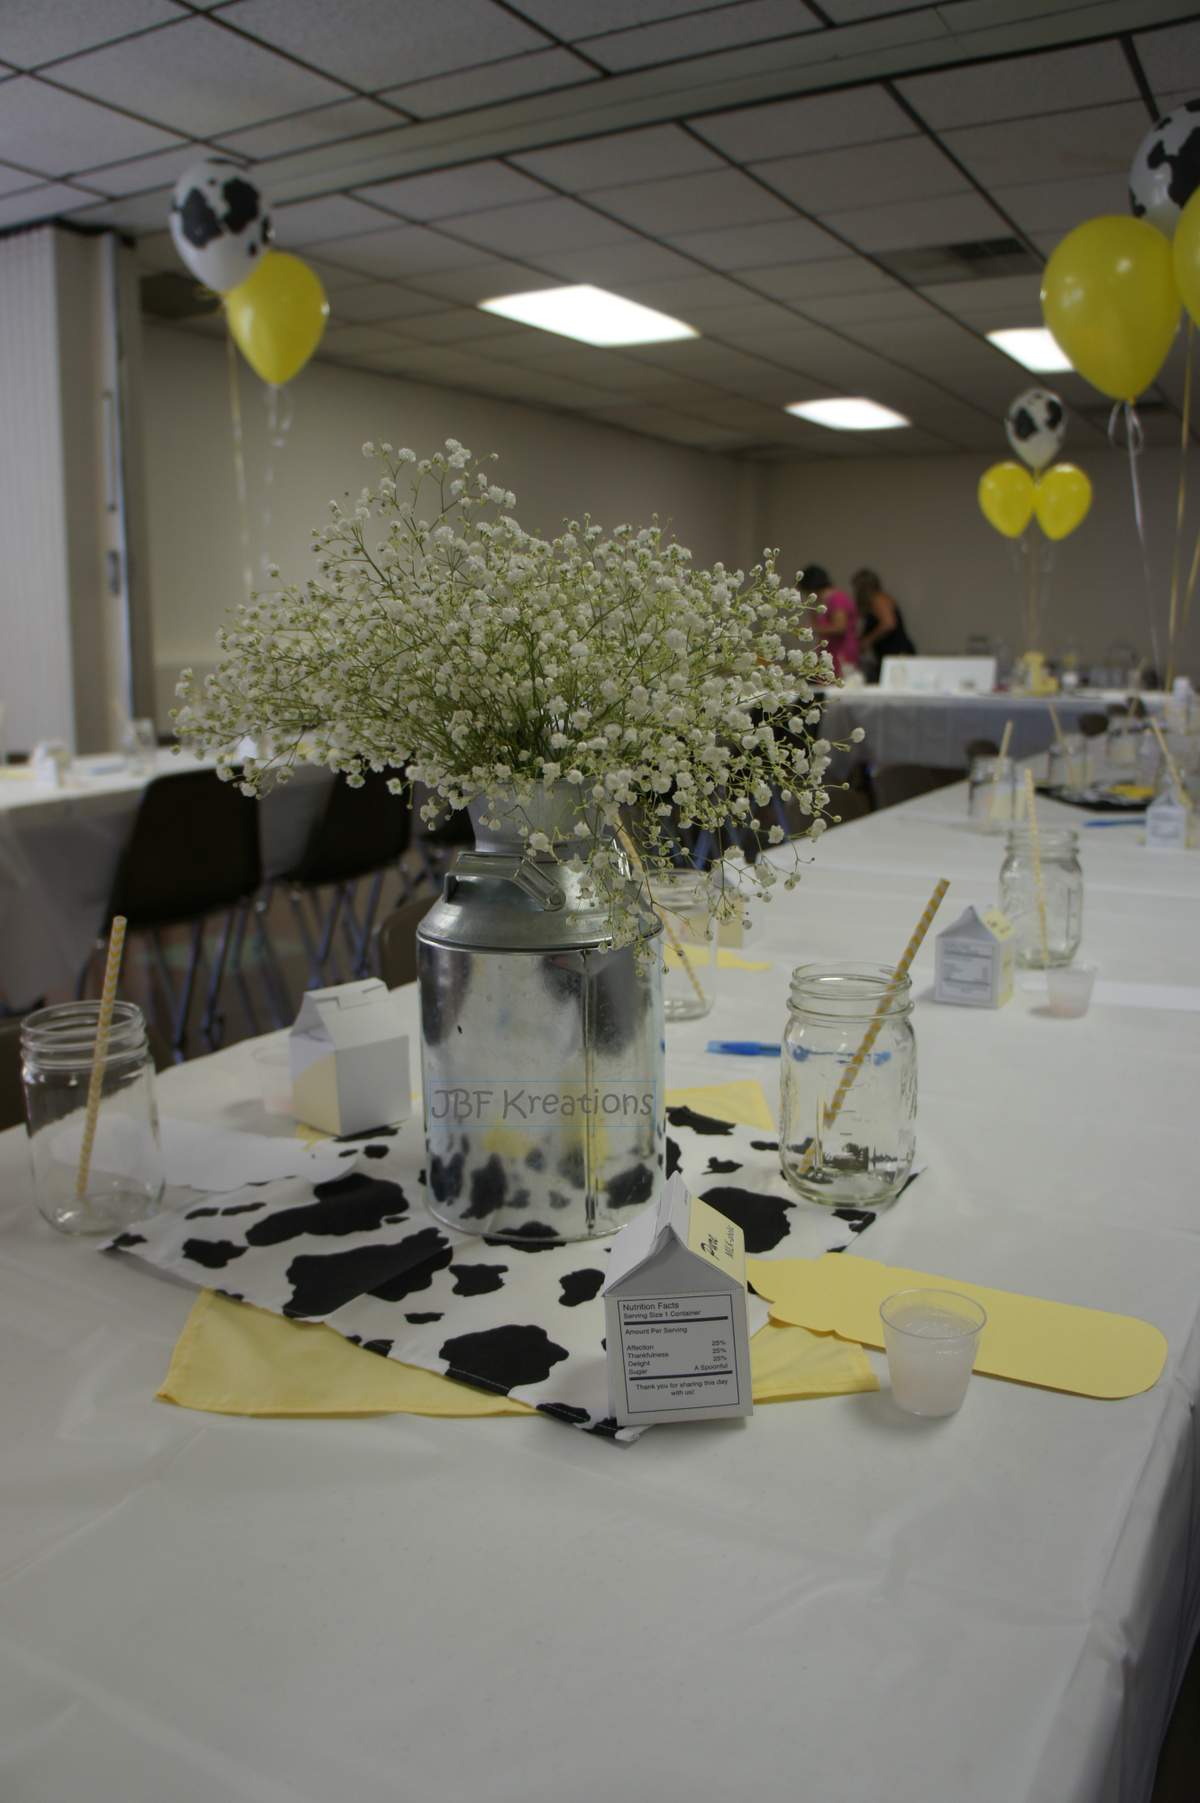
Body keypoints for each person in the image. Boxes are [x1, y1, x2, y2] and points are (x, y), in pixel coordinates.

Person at [852, 568, 915, 681]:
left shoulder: (878, 599)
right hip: (887, 654)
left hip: (897, 653)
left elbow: (889, 623)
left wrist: (868, 640)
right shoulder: (874, 602)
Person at [800, 563, 859, 678]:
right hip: (829, 651)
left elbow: (839, 627)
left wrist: (811, 629)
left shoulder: (837, 599)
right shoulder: (822, 602)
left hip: (842, 651)